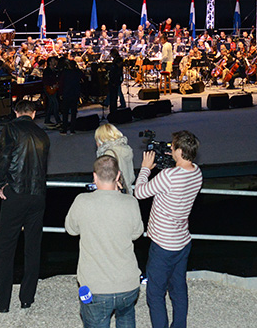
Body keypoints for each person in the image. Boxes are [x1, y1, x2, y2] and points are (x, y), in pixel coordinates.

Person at [65, 155, 145, 328]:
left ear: (94, 176)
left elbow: (71, 230)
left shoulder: (82, 201)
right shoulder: (130, 202)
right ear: (118, 176)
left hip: (96, 288)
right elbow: (136, 233)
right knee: (126, 318)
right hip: (128, 286)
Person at [134, 130, 202, 328]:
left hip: (163, 245)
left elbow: (140, 192)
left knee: (155, 293)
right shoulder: (197, 172)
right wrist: (172, 160)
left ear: (180, 151)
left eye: (173, 147)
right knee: (178, 288)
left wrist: (145, 168)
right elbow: (179, 173)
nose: (170, 149)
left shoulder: (168, 176)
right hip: (182, 241)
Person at [0, 99, 51, 313]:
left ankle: (3, 302)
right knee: (32, 249)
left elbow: (4, 159)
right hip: (37, 196)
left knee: (6, 249)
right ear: (34, 114)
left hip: (15, 194)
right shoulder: (43, 135)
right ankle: (27, 298)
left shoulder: (12, 129)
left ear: (16, 112)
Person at [95, 123, 135, 194]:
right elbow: (131, 177)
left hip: (114, 193)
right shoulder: (126, 149)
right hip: (128, 191)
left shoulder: (109, 154)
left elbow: (106, 181)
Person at [58, 57, 82, 135]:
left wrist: (60, 93)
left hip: (66, 93)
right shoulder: (78, 72)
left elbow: (61, 84)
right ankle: (72, 129)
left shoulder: (65, 72)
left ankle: (64, 129)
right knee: (73, 111)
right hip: (75, 93)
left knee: (65, 112)